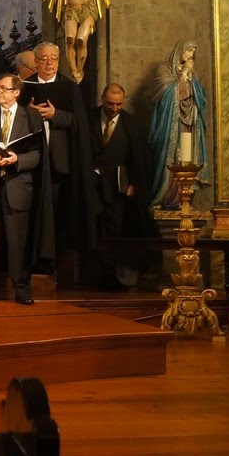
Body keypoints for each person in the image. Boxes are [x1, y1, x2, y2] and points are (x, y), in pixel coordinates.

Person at [24, 42, 98, 271]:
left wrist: (56, 115)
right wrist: (29, 112)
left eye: (53, 59)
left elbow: (80, 123)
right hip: (31, 159)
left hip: (59, 162)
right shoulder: (24, 88)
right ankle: (30, 261)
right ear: (35, 62)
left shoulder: (69, 87)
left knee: (55, 213)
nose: (48, 63)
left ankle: (52, 262)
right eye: (44, 59)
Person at [0, 74, 47, 304]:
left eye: (5, 89)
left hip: (18, 185)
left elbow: (38, 154)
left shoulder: (31, 116)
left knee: (18, 242)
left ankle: (22, 287)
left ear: (17, 92)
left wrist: (17, 159)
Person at [89, 83, 149, 288]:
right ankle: (93, 274)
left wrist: (134, 183)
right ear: (102, 99)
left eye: (119, 104)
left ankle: (111, 275)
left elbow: (137, 157)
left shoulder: (131, 124)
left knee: (115, 230)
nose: (114, 108)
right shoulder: (89, 118)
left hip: (118, 186)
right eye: (110, 104)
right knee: (94, 229)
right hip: (93, 184)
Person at [147, 39, 211, 208]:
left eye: (193, 53)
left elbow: (201, 99)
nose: (191, 55)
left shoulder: (193, 74)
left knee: (186, 159)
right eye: (189, 51)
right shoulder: (165, 69)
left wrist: (190, 78)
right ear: (180, 50)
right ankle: (165, 198)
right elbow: (163, 94)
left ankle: (183, 200)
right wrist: (182, 75)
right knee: (170, 159)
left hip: (189, 125)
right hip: (170, 124)